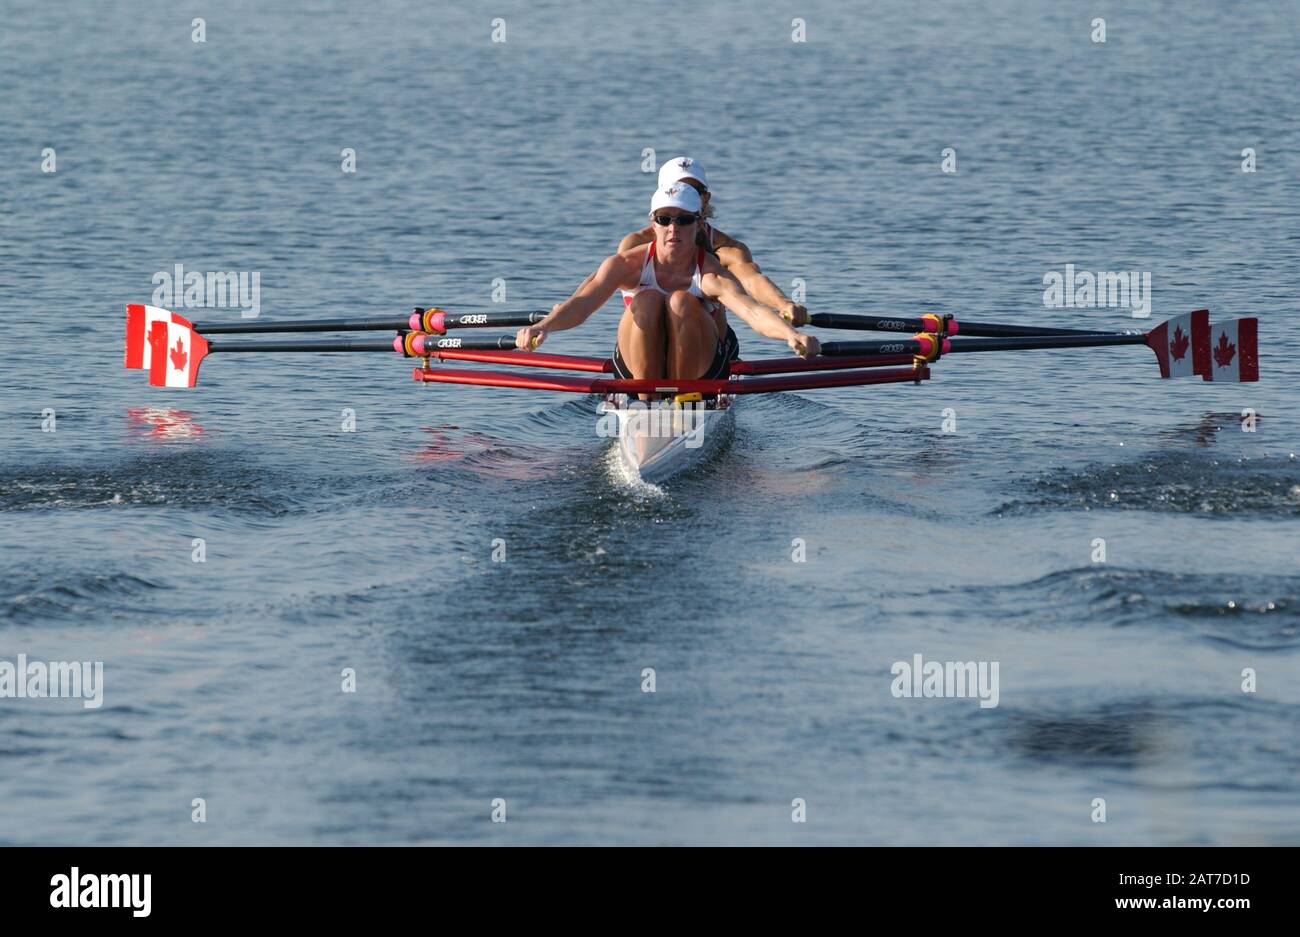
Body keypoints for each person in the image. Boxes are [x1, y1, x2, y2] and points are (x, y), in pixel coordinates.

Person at [515, 183, 818, 390]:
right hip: (636, 370)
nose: (673, 229)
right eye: (665, 219)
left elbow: (751, 311)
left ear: (699, 225)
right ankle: (646, 402)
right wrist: (545, 327)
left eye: (684, 220)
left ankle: (682, 403)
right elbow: (583, 303)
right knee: (645, 300)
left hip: (699, 375)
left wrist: (791, 334)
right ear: (653, 224)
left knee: (681, 302)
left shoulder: (711, 274)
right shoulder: (626, 264)